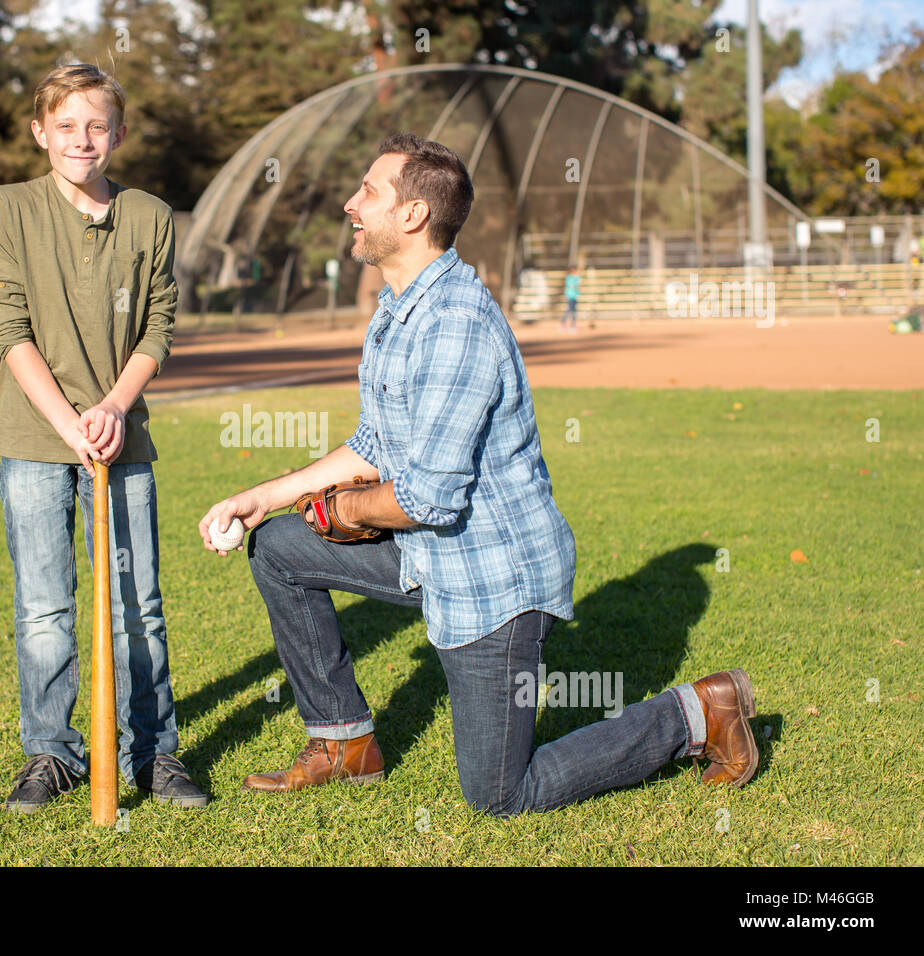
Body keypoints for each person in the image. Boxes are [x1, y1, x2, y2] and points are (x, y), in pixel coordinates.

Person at [198, 133, 758, 816]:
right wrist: (269, 496)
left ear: (411, 216)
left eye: (367, 192)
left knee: (500, 793)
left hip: (493, 578)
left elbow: (428, 497)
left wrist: (344, 513)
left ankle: (699, 713)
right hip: (429, 555)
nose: (351, 204)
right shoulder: (398, 309)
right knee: (281, 549)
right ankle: (344, 743)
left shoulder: (454, 322)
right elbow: (377, 441)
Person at [0, 64, 208, 813]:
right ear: (41, 132)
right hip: (35, 436)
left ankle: (154, 752)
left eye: (98, 125)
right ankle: (51, 754)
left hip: (120, 438)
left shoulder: (150, 215)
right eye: (67, 125)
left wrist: (112, 407)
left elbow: (159, 326)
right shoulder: (11, 207)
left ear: (116, 133)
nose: (84, 139)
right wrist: (66, 421)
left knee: (137, 603)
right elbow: (9, 327)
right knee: (44, 607)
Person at [561, 266, 580, 331]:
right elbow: (572, 286)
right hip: (570, 296)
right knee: (570, 310)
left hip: (575, 296)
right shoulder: (569, 278)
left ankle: (572, 325)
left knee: (574, 311)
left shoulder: (577, 278)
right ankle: (565, 324)